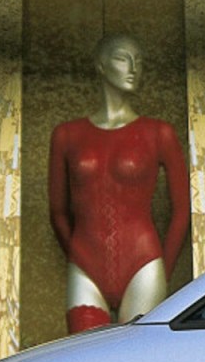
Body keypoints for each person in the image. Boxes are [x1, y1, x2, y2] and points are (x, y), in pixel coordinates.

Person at [48, 33, 190, 333]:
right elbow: (57, 212)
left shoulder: (159, 133)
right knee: (84, 356)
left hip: (143, 262)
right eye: (123, 58)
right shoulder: (66, 135)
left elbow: (181, 212)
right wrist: (77, 254)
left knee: (139, 356)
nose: (133, 68)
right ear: (100, 65)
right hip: (85, 264)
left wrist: (163, 268)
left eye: (139, 61)